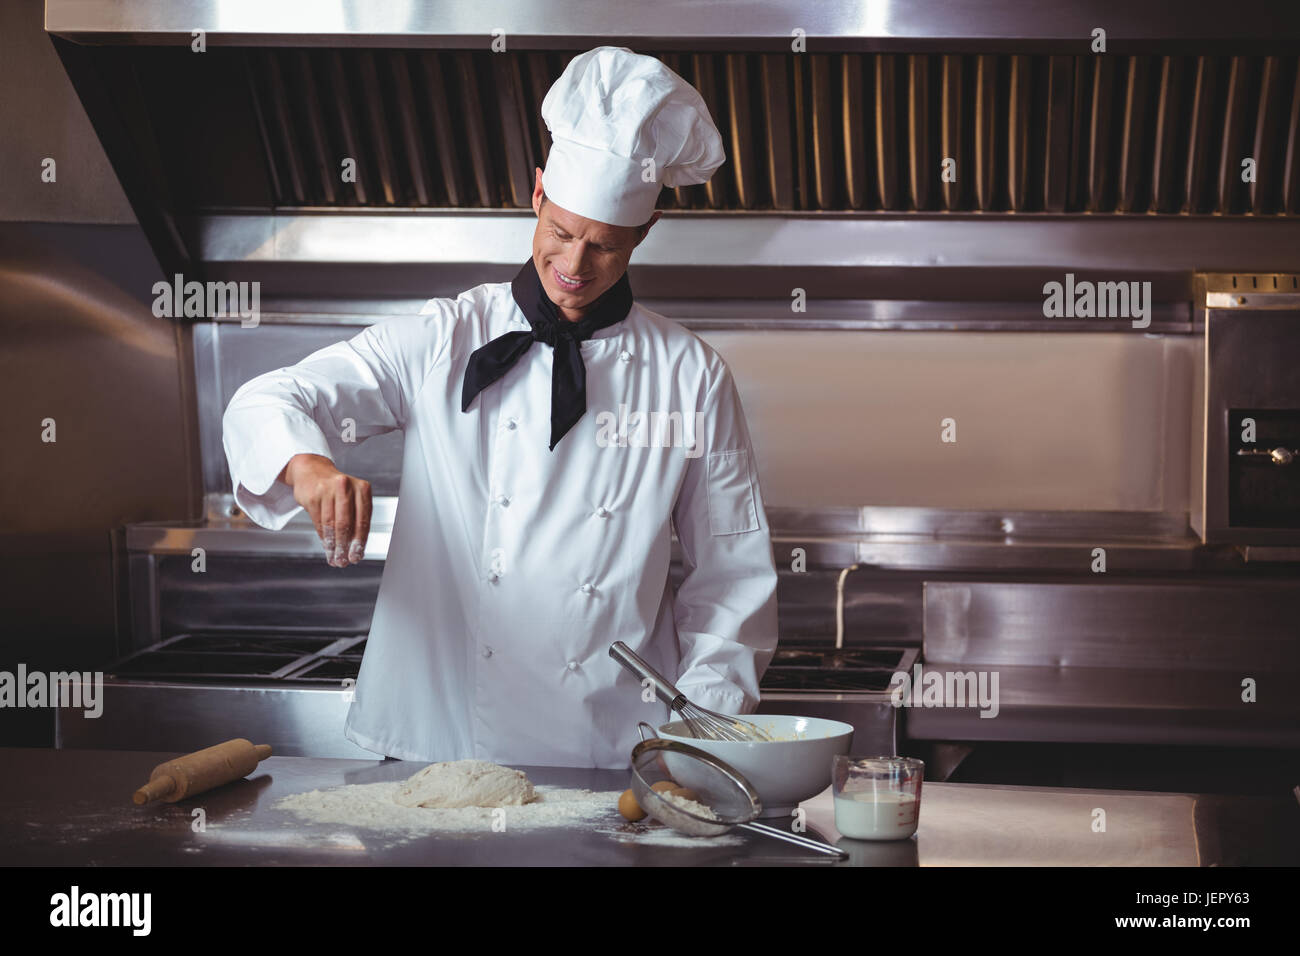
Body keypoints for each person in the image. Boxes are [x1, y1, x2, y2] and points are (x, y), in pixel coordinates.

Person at [222, 46, 778, 767]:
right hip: (442, 741)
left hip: (611, 750)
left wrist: (701, 741)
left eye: (606, 248)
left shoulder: (692, 376)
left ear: (647, 230)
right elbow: (272, 396)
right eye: (563, 233)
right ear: (538, 192)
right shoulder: (444, 337)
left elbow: (730, 582)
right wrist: (307, 468)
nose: (576, 268)